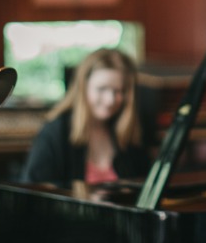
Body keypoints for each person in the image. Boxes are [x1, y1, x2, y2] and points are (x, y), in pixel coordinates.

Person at [21, 48, 151, 186]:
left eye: (119, 91)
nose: (110, 100)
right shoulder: (56, 131)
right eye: (102, 89)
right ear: (83, 87)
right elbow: (34, 193)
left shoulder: (130, 132)